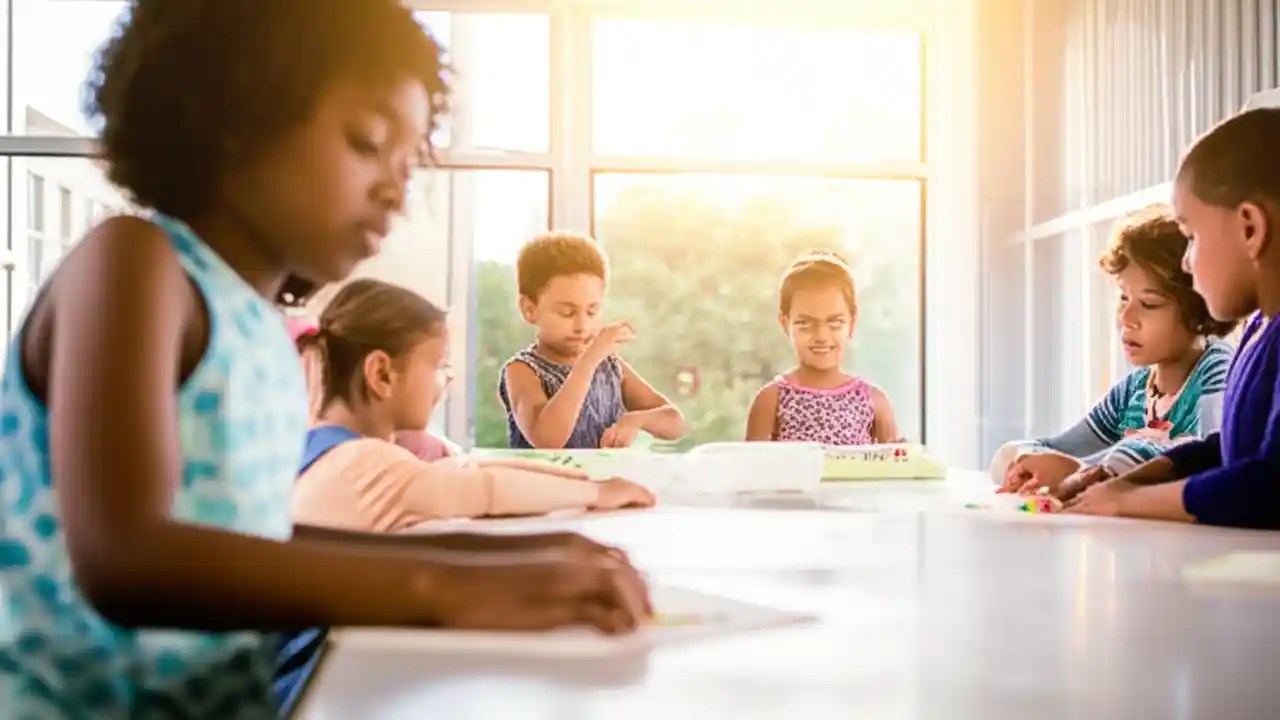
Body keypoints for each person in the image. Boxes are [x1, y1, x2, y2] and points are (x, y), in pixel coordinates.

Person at [0, 3, 647, 716]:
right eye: (367, 140)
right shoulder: (136, 264)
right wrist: (452, 587)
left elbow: (251, 545)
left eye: (410, 163)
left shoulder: (260, 330)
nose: (397, 187)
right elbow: (129, 558)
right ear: (232, 113)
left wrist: (509, 557)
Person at [292, 279, 656, 532]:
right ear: (382, 374)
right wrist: (597, 493)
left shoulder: (317, 448)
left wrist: (589, 478)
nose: (447, 378)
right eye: (439, 365)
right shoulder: (365, 464)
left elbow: (468, 467)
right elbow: (486, 488)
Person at [1067, 108, 1280, 528]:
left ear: (1250, 229)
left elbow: (1269, 484)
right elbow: (1231, 451)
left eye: (1190, 237)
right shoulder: (1259, 331)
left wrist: (1123, 504)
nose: (1187, 261)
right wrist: (1122, 481)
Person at [995, 207, 1236, 496]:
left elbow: (1217, 453)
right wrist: (1033, 459)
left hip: (1183, 534)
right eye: (1123, 297)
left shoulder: (1216, 365)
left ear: (1198, 312)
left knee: (1131, 452)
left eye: (1149, 304)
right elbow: (1055, 446)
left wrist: (1077, 471)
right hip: (1120, 531)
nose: (1126, 317)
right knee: (1010, 454)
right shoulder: (1132, 392)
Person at [498, 232, 686, 449]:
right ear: (529, 309)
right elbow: (547, 439)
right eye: (567, 313)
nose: (582, 326)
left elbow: (675, 423)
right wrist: (589, 360)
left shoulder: (610, 365)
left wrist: (637, 420)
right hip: (546, 482)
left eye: (592, 311)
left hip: (601, 482)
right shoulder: (521, 371)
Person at [746, 251, 901, 445]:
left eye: (835, 323)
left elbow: (899, 466)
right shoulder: (770, 401)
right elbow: (753, 469)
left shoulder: (874, 401)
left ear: (851, 324)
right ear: (785, 324)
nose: (821, 336)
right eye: (805, 324)